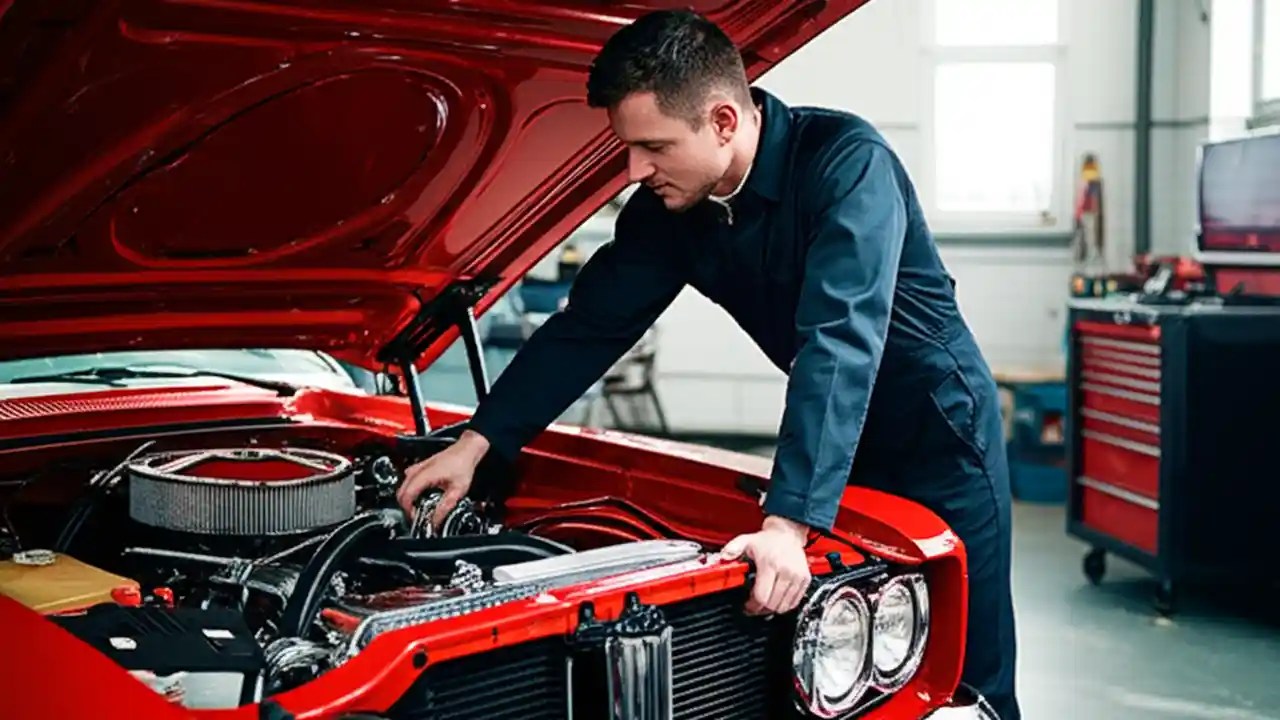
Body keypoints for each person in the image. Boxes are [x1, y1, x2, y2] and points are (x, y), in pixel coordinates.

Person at [396, 10, 1020, 718]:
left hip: (939, 433)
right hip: (835, 443)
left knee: (965, 676)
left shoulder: (848, 164)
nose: (635, 170)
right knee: (854, 673)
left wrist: (787, 524)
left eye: (653, 146)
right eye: (627, 148)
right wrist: (479, 442)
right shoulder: (671, 209)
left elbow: (840, 341)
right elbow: (589, 326)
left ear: (724, 120)